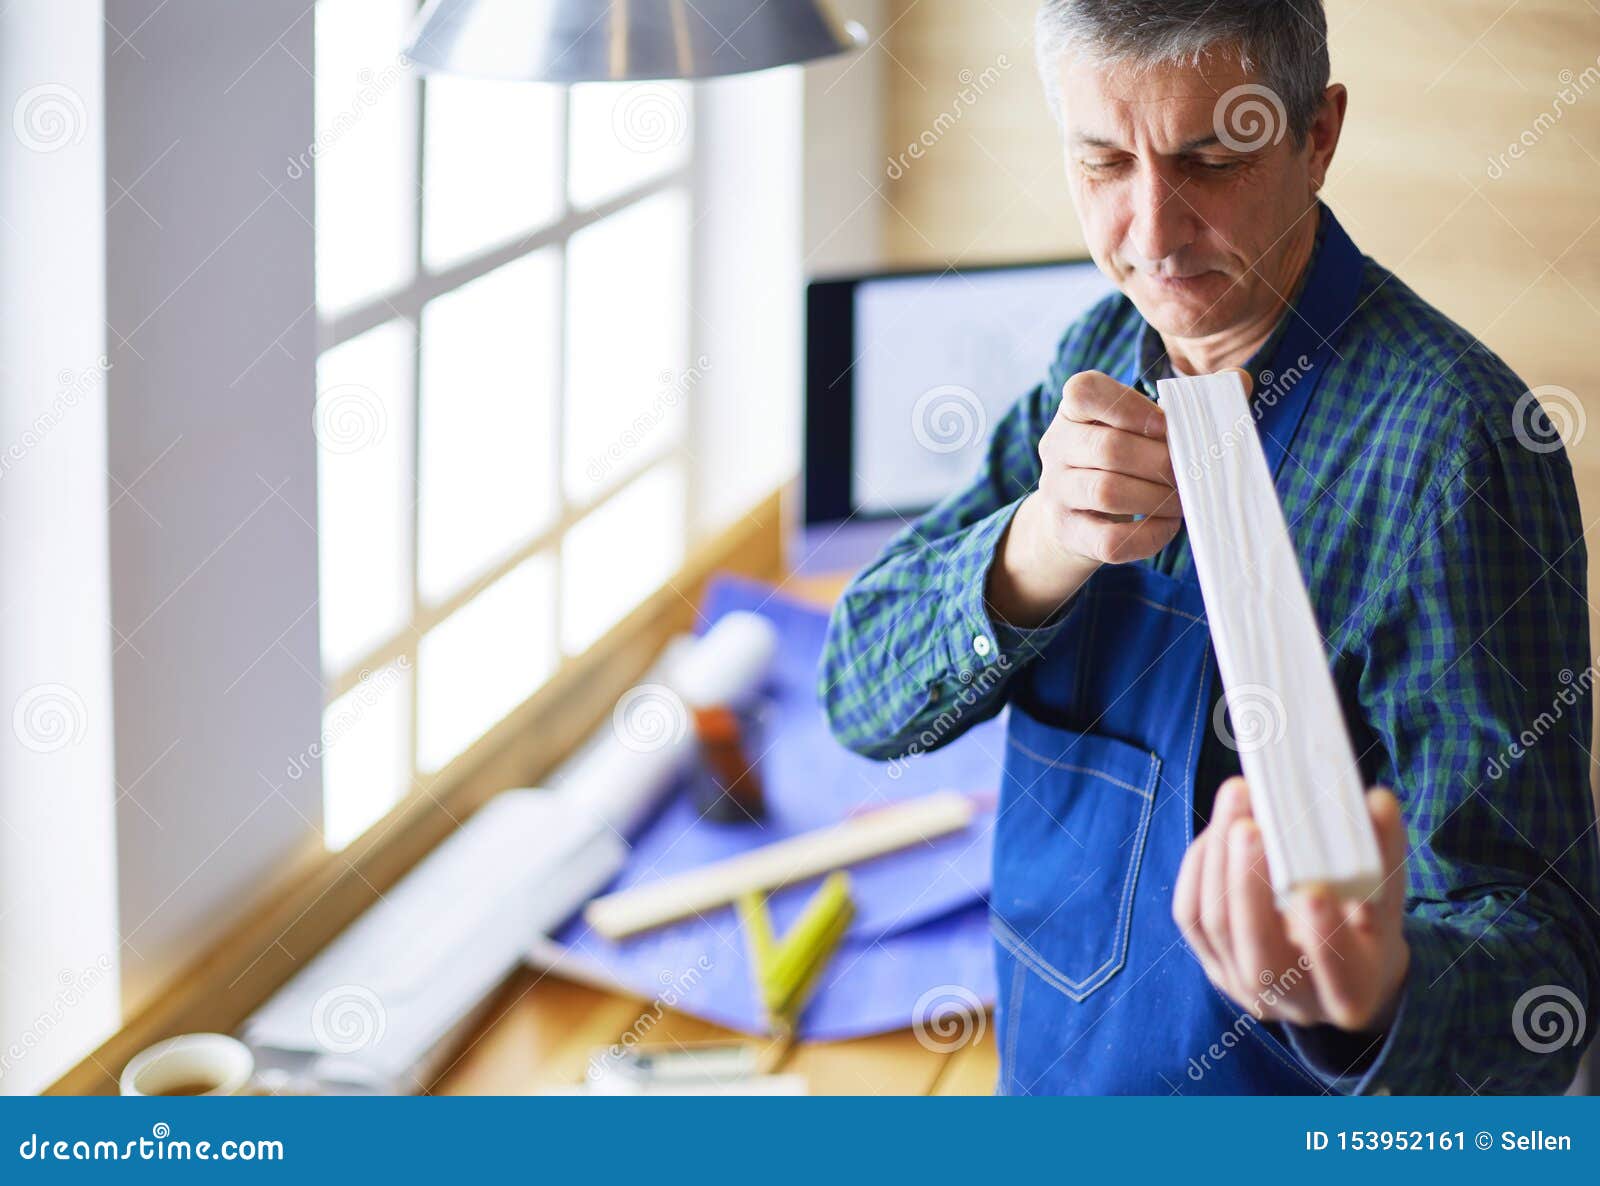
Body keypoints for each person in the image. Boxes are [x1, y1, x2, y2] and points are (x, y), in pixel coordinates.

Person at [819, 0, 1600, 1094]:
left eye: (1209, 161)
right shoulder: (1097, 351)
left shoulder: (1455, 449)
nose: (1150, 235)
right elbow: (857, 694)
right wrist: (1037, 543)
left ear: (1316, 135)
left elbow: (1546, 978)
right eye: (1100, 163)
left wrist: (1368, 1001)